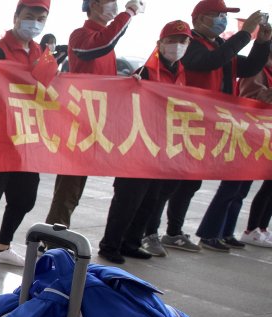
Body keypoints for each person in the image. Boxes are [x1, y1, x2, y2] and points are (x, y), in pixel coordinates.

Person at [160, 0, 270, 253]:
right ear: (199, 18)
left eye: (224, 15)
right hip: (188, 122)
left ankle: (174, 232)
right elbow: (211, 62)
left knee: (191, 182)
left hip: (210, 125)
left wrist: (262, 43)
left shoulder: (220, 45)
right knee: (172, 183)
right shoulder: (193, 44)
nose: (222, 19)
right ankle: (158, 231)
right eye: (217, 15)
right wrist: (245, 33)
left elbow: (249, 67)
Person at [98, 20, 190, 263]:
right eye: (172, 41)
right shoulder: (145, 72)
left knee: (150, 199)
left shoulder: (180, 73)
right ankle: (110, 245)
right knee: (128, 200)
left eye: (183, 41)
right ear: (160, 44)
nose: (178, 46)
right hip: (138, 147)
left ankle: (131, 242)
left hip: (161, 148)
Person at [47, 0, 143, 232]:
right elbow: (101, 45)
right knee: (69, 186)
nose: (115, 6)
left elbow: (105, 79)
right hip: (79, 123)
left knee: (76, 187)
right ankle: (53, 235)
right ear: (93, 5)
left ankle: (56, 233)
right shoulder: (82, 35)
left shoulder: (105, 42)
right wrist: (129, 13)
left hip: (95, 123)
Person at [0, 0, 50, 274]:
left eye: (41, 18)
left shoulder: (41, 52)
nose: (35, 23)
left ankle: (3, 246)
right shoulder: (0, 49)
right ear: (16, 17)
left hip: (28, 137)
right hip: (0, 137)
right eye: (30, 16)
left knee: (25, 198)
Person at [238, 54, 272, 247]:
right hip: (257, 132)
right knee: (236, 189)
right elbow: (253, 98)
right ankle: (251, 229)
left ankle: (262, 228)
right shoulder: (259, 68)